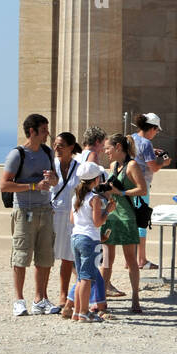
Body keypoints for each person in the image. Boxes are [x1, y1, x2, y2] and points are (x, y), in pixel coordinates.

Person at [0, 114, 59, 317]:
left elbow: (55, 180)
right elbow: (4, 184)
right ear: (32, 131)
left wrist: (53, 179)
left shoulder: (47, 152)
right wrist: (33, 185)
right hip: (24, 211)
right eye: (43, 130)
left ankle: (40, 299)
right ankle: (18, 300)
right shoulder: (17, 154)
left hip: (45, 210)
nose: (47, 134)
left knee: (45, 257)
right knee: (21, 256)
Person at [101, 134, 148, 314]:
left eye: (108, 148)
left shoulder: (132, 165)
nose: (106, 152)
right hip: (111, 214)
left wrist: (120, 192)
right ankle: (101, 300)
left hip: (127, 215)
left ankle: (135, 299)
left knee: (130, 259)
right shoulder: (113, 166)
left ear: (118, 147)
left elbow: (142, 189)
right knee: (107, 259)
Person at [69, 160, 114, 323]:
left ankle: (77, 311)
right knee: (87, 278)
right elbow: (97, 222)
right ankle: (83, 312)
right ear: (95, 180)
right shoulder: (94, 198)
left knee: (81, 277)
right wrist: (107, 211)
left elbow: (72, 219)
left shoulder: (76, 196)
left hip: (76, 237)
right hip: (89, 239)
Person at [131, 113, 170, 271]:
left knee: (132, 222)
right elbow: (153, 167)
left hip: (129, 184)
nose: (156, 133)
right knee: (141, 223)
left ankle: (131, 259)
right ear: (152, 128)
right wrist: (164, 163)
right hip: (142, 186)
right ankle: (141, 259)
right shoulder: (146, 143)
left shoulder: (131, 138)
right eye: (156, 130)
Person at [49, 132, 82, 306]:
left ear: (70, 147)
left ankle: (63, 295)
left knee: (68, 257)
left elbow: (83, 192)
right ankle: (43, 295)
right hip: (52, 214)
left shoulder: (79, 168)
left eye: (60, 145)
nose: (56, 148)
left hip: (70, 216)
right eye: (55, 144)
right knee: (46, 255)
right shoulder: (51, 165)